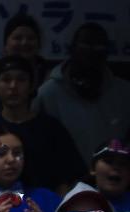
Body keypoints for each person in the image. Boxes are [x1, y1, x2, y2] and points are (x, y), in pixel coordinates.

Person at [0, 56, 83, 195]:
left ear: (32, 86)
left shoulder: (51, 129)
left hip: (42, 210)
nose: (13, 86)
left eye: (21, 79)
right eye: (6, 79)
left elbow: (66, 179)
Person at [37, 23, 130, 167]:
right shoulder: (47, 93)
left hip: (114, 180)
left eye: (99, 47)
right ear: (72, 48)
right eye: (86, 45)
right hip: (64, 184)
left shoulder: (124, 93)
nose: (92, 52)